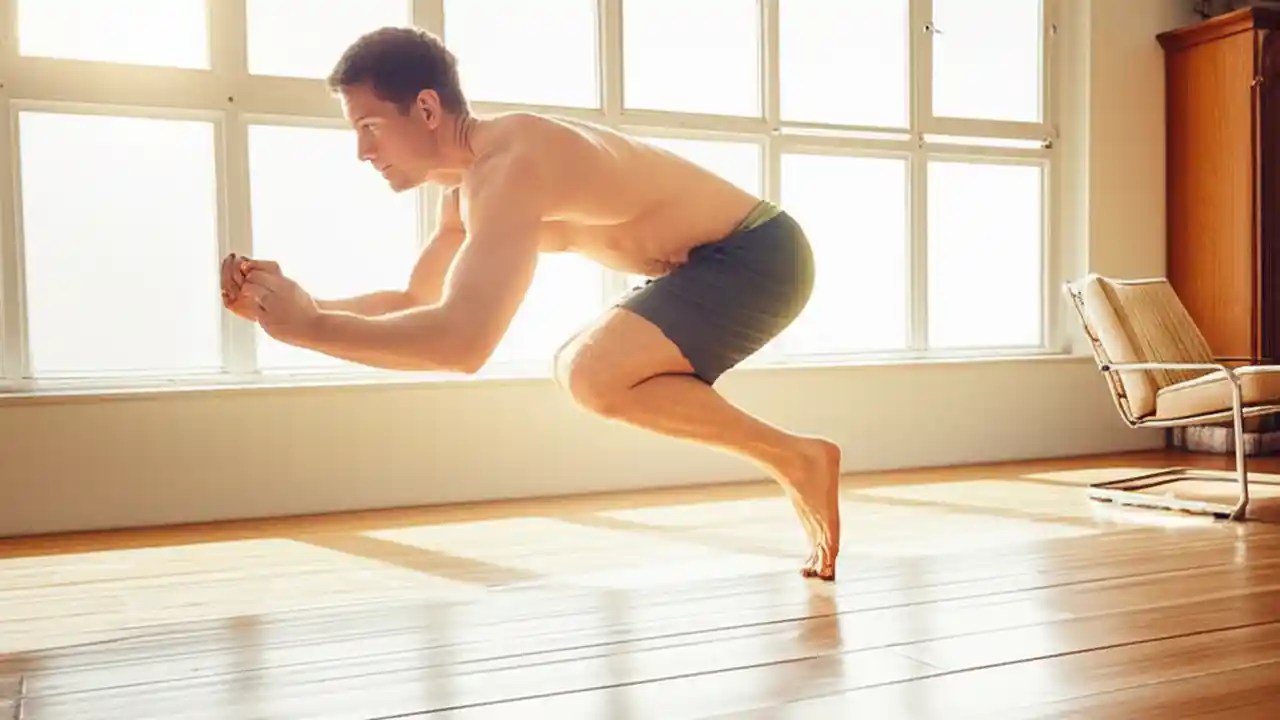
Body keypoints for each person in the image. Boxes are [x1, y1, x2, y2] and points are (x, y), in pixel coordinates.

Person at [220, 26, 841, 580]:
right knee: (582, 367)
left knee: (587, 370)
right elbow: (417, 299)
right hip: (710, 263)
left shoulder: (511, 163)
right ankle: (797, 458)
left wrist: (311, 328)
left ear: (428, 108)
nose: (362, 151)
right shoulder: (465, 193)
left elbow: (464, 344)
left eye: (370, 127)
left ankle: (796, 458)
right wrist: (297, 305)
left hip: (759, 253)